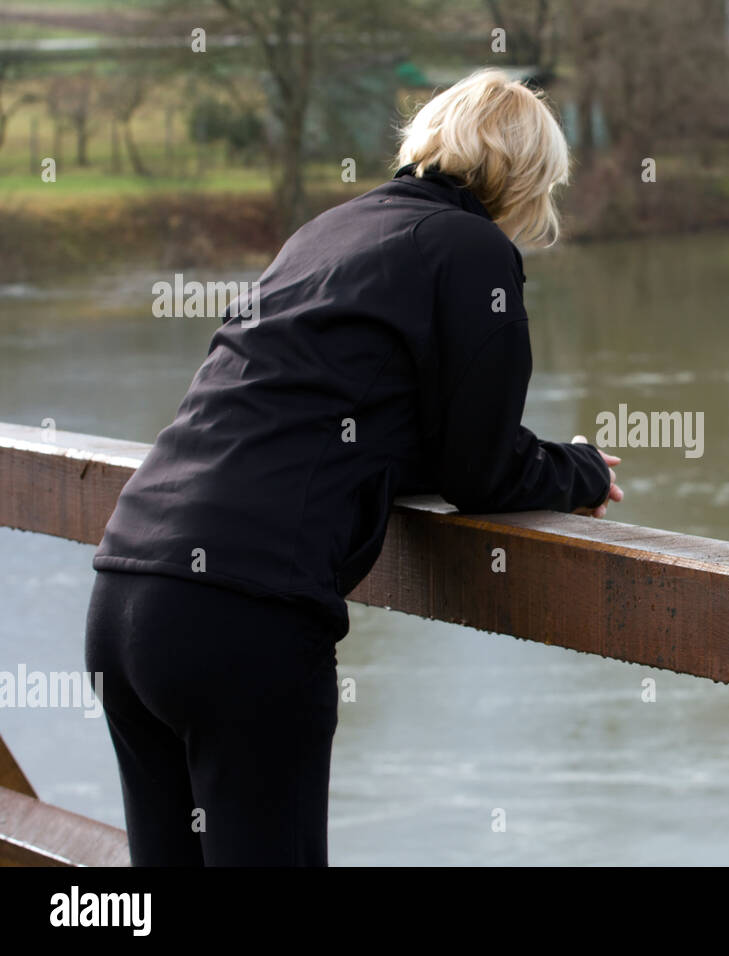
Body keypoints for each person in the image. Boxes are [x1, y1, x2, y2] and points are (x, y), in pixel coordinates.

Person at [84, 68, 623, 866]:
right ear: (530, 178)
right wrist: (577, 472)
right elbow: (480, 468)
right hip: (244, 618)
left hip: (127, 589)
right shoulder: (472, 250)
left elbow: (334, 417)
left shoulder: (329, 231)